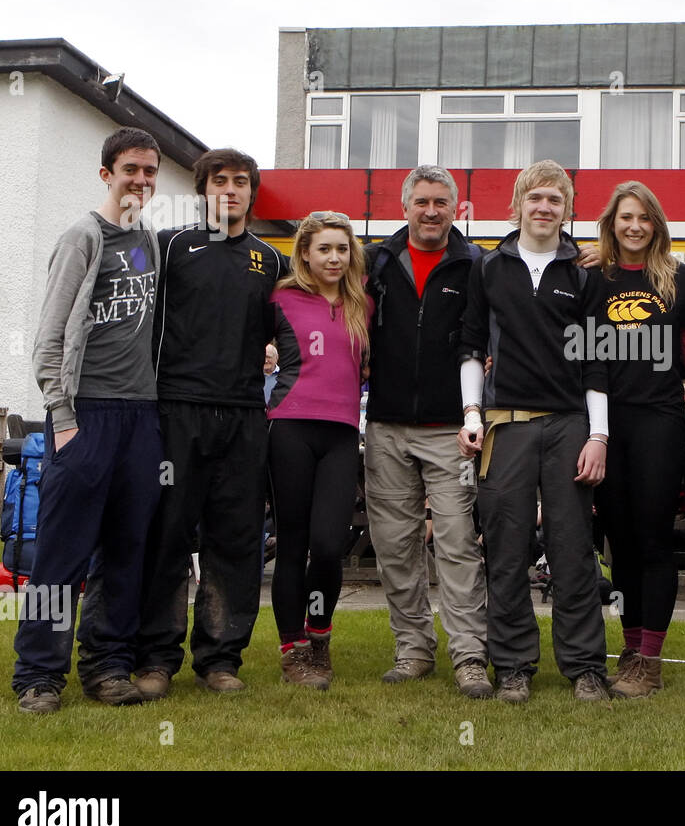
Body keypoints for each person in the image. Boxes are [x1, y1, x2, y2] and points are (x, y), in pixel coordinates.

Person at [13, 127, 164, 713]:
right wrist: (62, 414)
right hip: (85, 414)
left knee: (127, 548)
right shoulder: (83, 236)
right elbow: (49, 339)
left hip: (140, 417)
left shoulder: (148, 241)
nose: (142, 180)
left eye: (150, 172)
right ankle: (38, 676)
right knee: (62, 550)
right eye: (131, 169)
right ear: (107, 174)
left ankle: (107, 666)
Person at [457, 159, 611, 704]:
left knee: (573, 550)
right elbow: (472, 345)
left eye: (555, 200)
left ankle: (586, 667)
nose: (544, 208)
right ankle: (514, 666)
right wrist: (471, 412)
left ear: (568, 210)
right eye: (535, 198)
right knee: (506, 549)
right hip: (506, 426)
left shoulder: (586, 273)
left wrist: (599, 436)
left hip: (571, 427)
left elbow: (597, 362)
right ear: (517, 204)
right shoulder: (489, 268)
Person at [133, 148, 285, 698]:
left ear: (252, 192)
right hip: (177, 409)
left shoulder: (269, 260)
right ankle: (154, 658)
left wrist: (271, 348)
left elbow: (285, 332)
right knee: (168, 534)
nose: (230, 190)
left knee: (237, 540)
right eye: (219, 180)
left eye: (240, 182)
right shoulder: (171, 246)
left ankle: (221, 658)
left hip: (245, 416)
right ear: (203, 190)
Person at [363, 165, 491, 699]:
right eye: (422, 202)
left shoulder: (476, 264)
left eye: (442, 202)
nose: (432, 211)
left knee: (458, 544)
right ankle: (413, 648)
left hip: (450, 431)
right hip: (388, 426)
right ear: (405, 206)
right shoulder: (375, 261)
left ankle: (470, 656)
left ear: (456, 207)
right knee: (395, 545)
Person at [592, 181, 685, 698]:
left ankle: (650, 661)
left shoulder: (680, 279)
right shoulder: (593, 277)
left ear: (656, 223)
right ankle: (630, 648)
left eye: (644, 217)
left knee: (655, 539)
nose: (634, 226)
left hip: (659, 420)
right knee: (622, 543)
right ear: (612, 223)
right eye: (625, 217)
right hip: (605, 425)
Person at [267, 212, 371, 689]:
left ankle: (320, 636)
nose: (334, 257)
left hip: (342, 434)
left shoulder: (363, 303)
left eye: (342, 249)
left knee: (329, 546)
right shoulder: (279, 296)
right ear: (305, 252)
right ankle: (293, 650)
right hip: (289, 428)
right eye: (324, 249)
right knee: (292, 544)